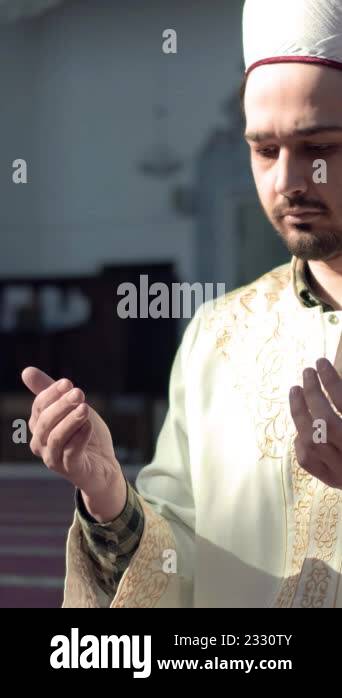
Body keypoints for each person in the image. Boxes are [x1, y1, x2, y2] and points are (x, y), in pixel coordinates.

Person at [22, 0, 342, 608]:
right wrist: (109, 499)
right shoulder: (217, 336)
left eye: (318, 145)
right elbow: (182, 554)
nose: (288, 181)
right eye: (265, 151)